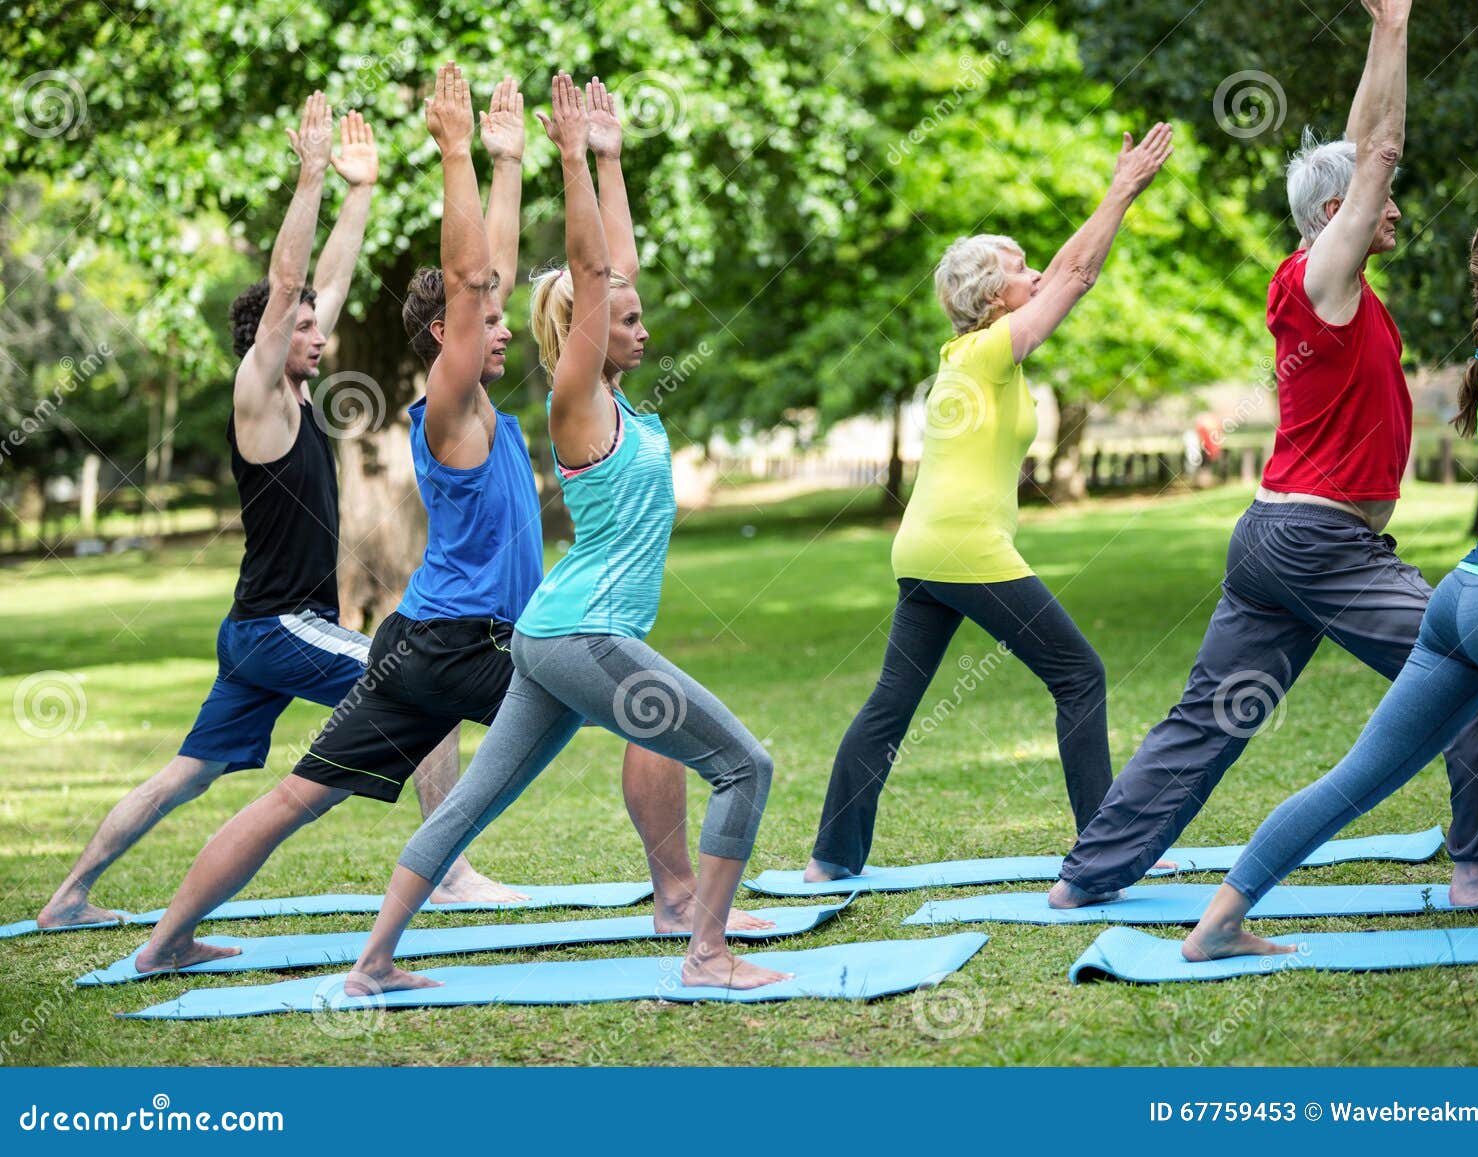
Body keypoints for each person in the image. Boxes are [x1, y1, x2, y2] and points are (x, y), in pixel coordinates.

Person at [1049, 0, 1478, 913]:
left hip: (1277, 543)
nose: (1392, 207)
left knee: (1211, 717)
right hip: (1320, 545)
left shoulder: (1324, 282)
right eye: (1376, 200)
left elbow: (1362, 149)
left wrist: (1382, 32)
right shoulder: (1324, 277)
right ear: (1338, 212)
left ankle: (1087, 874)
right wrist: (1395, 31)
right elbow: (1378, 150)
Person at [345, 71, 785, 995]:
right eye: (625, 320)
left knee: (473, 800)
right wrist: (571, 160)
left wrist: (613, 160)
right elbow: (594, 275)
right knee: (745, 764)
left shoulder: (620, 395)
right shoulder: (576, 398)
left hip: (552, 637)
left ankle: (373, 964)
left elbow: (610, 267)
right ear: (586, 331)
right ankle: (705, 953)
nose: (642, 325)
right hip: (583, 633)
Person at [1184, 0, 1478, 961]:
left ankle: (1217, 925)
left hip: (1465, 604)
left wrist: (1393, 31)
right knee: (1360, 773)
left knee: (1357, 779)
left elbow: (1382, 154)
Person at [33, 95, 503, 928]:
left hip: (257, 629)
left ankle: (67, 897)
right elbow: (292, 283)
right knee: (422, 688)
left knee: (190, 771)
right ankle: (454, 869)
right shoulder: (261, 396)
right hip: (280, 622)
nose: (319, 335)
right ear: (270, 337)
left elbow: (325, 281)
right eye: (306, 328)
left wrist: (360, 192)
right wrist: (313, 175)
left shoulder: (293, 388)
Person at [800, 123, 1174, 883]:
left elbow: (1072, 273)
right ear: (989, 294)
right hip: (965, 545)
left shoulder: (971, 358)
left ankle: (829, 861)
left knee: (891, 706)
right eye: (1018, 267)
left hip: (928, 548)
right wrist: (1121, 191)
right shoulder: (986, 351)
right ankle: (1100, 857)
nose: (1034, 273)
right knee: (1080, 674)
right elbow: (1075, 276)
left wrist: (1115, 207)